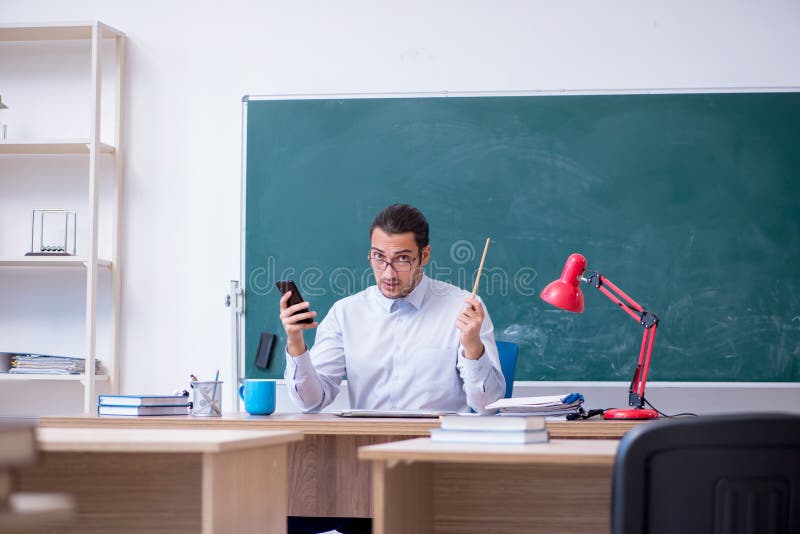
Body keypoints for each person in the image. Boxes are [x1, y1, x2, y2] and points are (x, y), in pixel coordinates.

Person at [280, 203, 505, 414]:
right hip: (366, 447)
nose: (388, 274)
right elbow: (310, 403)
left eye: (402, 259)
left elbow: (488, 406)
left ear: (424, 255)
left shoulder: (464, 309)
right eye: (379, 257)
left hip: (438, 447)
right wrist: (296, 344)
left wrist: (473, 347)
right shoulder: (345, 314)